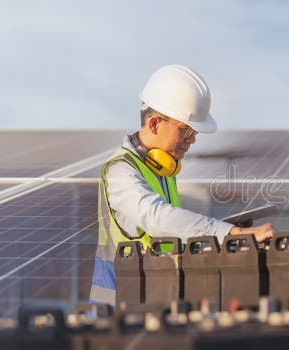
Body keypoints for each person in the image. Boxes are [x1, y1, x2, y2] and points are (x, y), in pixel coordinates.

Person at [89, 65, 276, 305]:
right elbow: (159, 219)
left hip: (152, 301)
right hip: (115, 308)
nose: (193, 139)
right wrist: (231, 234)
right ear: (154, 124)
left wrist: (224, 230)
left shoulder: (162, 170)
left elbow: (167, 240)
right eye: (186, 130)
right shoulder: (120, 171)